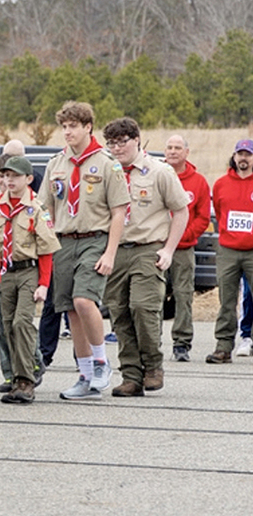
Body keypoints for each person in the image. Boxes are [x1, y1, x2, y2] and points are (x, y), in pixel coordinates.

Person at [37, 101, 127, 400]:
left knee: (84, 300)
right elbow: (45, 206)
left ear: (88, 127)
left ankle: (102, 362)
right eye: (64, 127)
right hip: (63, 240)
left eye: (73, 126)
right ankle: (85, 375)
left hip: (94, 238)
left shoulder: (106, 163)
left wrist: (110, 253)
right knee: (70, 310)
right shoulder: (57, 164)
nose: (67, 132)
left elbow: (118, 212)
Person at [99, 117, 188, 396]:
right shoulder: (106, 172)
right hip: (115, 250)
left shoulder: (158, 171)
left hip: (148, 248)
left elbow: (181, 211)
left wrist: (169, 249)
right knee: (120, 313)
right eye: (111, 143)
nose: (117, 148)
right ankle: (131, 375)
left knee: (143, 307)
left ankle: (152, 365)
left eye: (122, 142)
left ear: (136, 140)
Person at [0, 156, 60, 403]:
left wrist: (43, 283)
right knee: (7, 325)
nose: (9, 180)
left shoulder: (35, 209)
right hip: (5, 273)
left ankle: (26, 380)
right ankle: (18, 375)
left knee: (22, 323)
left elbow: (46, 250)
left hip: (28, 270)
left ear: (28, 179)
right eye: (6, 175)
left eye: (15, 176)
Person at [162, 135, 211, 362]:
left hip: (183, 249)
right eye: (170, 147)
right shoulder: (156, 175)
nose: (173, 151)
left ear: (186, 152)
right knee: (152, 296)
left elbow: (202, 216)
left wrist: (185, 234)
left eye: (178, 148)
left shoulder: (198, 181)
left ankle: (181, 344)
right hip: (156, 247)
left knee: (183, 295)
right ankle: (151, 342)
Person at [205, 139, 253, 364]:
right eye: (240, 154)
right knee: (226, 299)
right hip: (228, 250)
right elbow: (221, 212)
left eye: (248, 154)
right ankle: (223, 347)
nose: (244, 158)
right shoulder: (222, 183)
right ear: (234, 157)